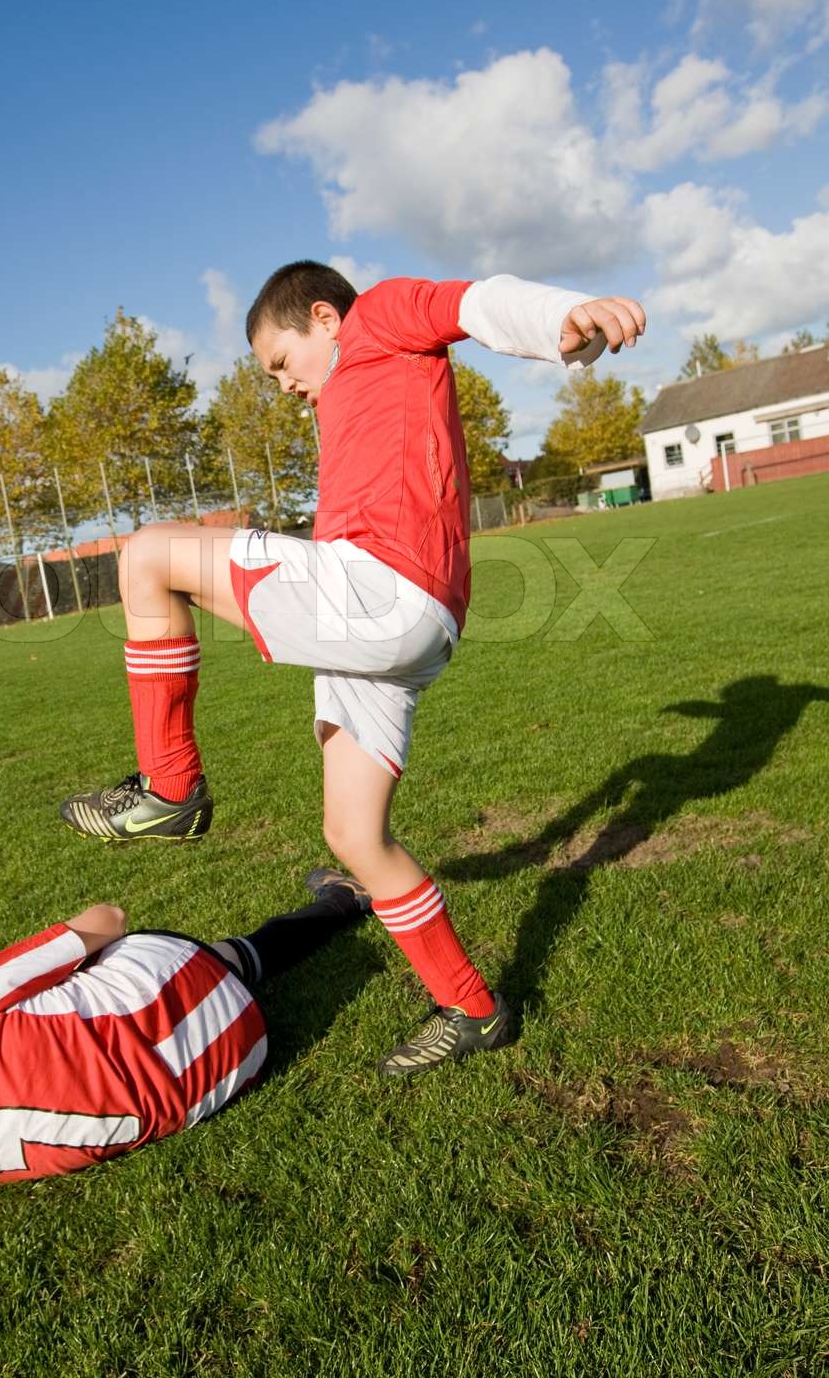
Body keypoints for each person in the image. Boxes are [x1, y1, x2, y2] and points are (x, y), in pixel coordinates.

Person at [59, 265, 646, 1077]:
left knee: (150, 555)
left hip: (384, 592)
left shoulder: (382, 317)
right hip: (395, 618)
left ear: (326, 317)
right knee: (355, 834)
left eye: (279, 362)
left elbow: (476, 301)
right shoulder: (350, 389)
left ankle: (170, 790)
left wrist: (565, 316)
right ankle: (474, 1009)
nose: (282, 385)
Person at [0, 867, 371, 1250]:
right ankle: (338, 903)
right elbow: (109, 919)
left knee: (67, 1014)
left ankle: (334, 903)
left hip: (236, 1061)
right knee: (92, 963)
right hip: (186, 979)